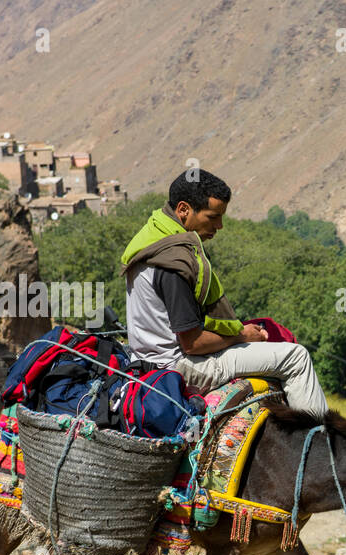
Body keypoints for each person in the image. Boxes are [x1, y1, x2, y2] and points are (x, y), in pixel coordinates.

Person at [120, 169, 329, 417]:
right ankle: (322, 444)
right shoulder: (174, 263)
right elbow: (193, 343)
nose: (219, 226)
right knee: (297, 358)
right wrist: (241, 336)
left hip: (148, 358)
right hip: (179, 367)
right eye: (213, 217)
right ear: (184, 210)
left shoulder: (152, 236)